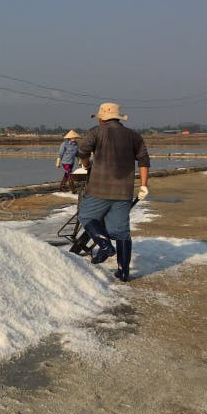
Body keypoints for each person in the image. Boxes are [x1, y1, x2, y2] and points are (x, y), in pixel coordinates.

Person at [76, 102, 150, 282]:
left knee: (85, 215)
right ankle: (123, 272)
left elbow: (82, 151)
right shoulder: (133, 135)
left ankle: (105, 245)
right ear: (118, 118)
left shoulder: (96, 132)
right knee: (122, 231)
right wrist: (143, 185)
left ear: (102, 118)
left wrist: (85, 165)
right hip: (123, 191)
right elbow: (144, 160)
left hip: (99, 189)